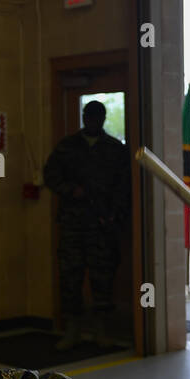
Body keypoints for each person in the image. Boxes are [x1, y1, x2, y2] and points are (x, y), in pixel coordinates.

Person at [43, 100, 131, 349]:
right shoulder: (66, 147)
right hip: (73, 224)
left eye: (96, 117)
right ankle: (72, 329)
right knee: (70, 277)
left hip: (102, 226)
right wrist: (72, 190)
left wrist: (115, 214)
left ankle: (101, 329)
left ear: (102, 119)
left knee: (102, 278)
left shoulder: (115, 149)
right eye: (88, 116)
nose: (92, 120)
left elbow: (125, 187)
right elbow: (50, 175)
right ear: (83, 117)